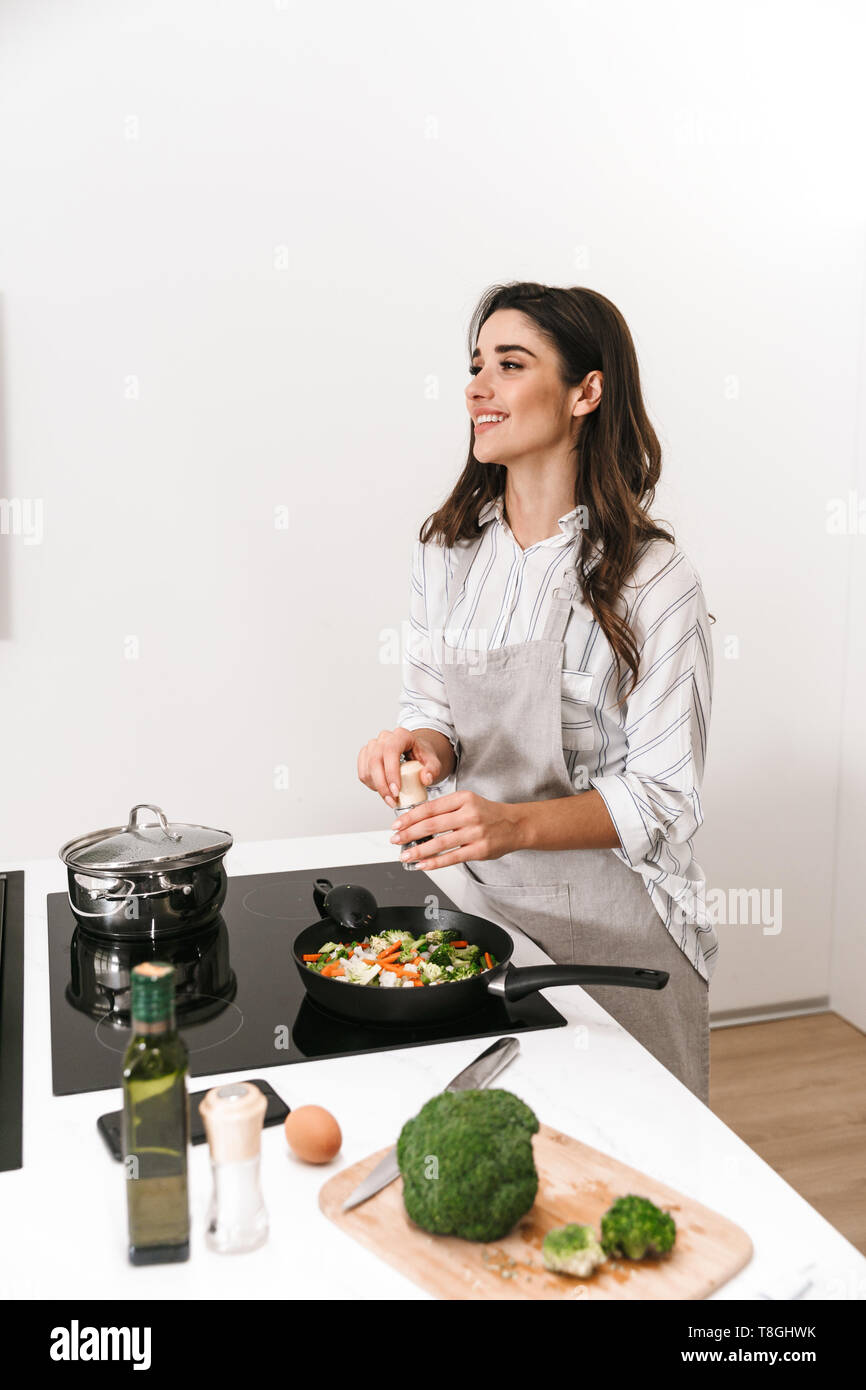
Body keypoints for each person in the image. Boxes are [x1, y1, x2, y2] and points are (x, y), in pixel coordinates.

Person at [357, 281, 716, 1104]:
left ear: (587, 390)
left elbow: (664, 798)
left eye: (509, 365)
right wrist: (418, 747)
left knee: (638, 1169)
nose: (477, 388)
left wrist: (512, 823)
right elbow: (434, 711)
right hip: (475, 912)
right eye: (475, 365)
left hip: (616, 928)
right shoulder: (445, 553)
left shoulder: (656, 581)